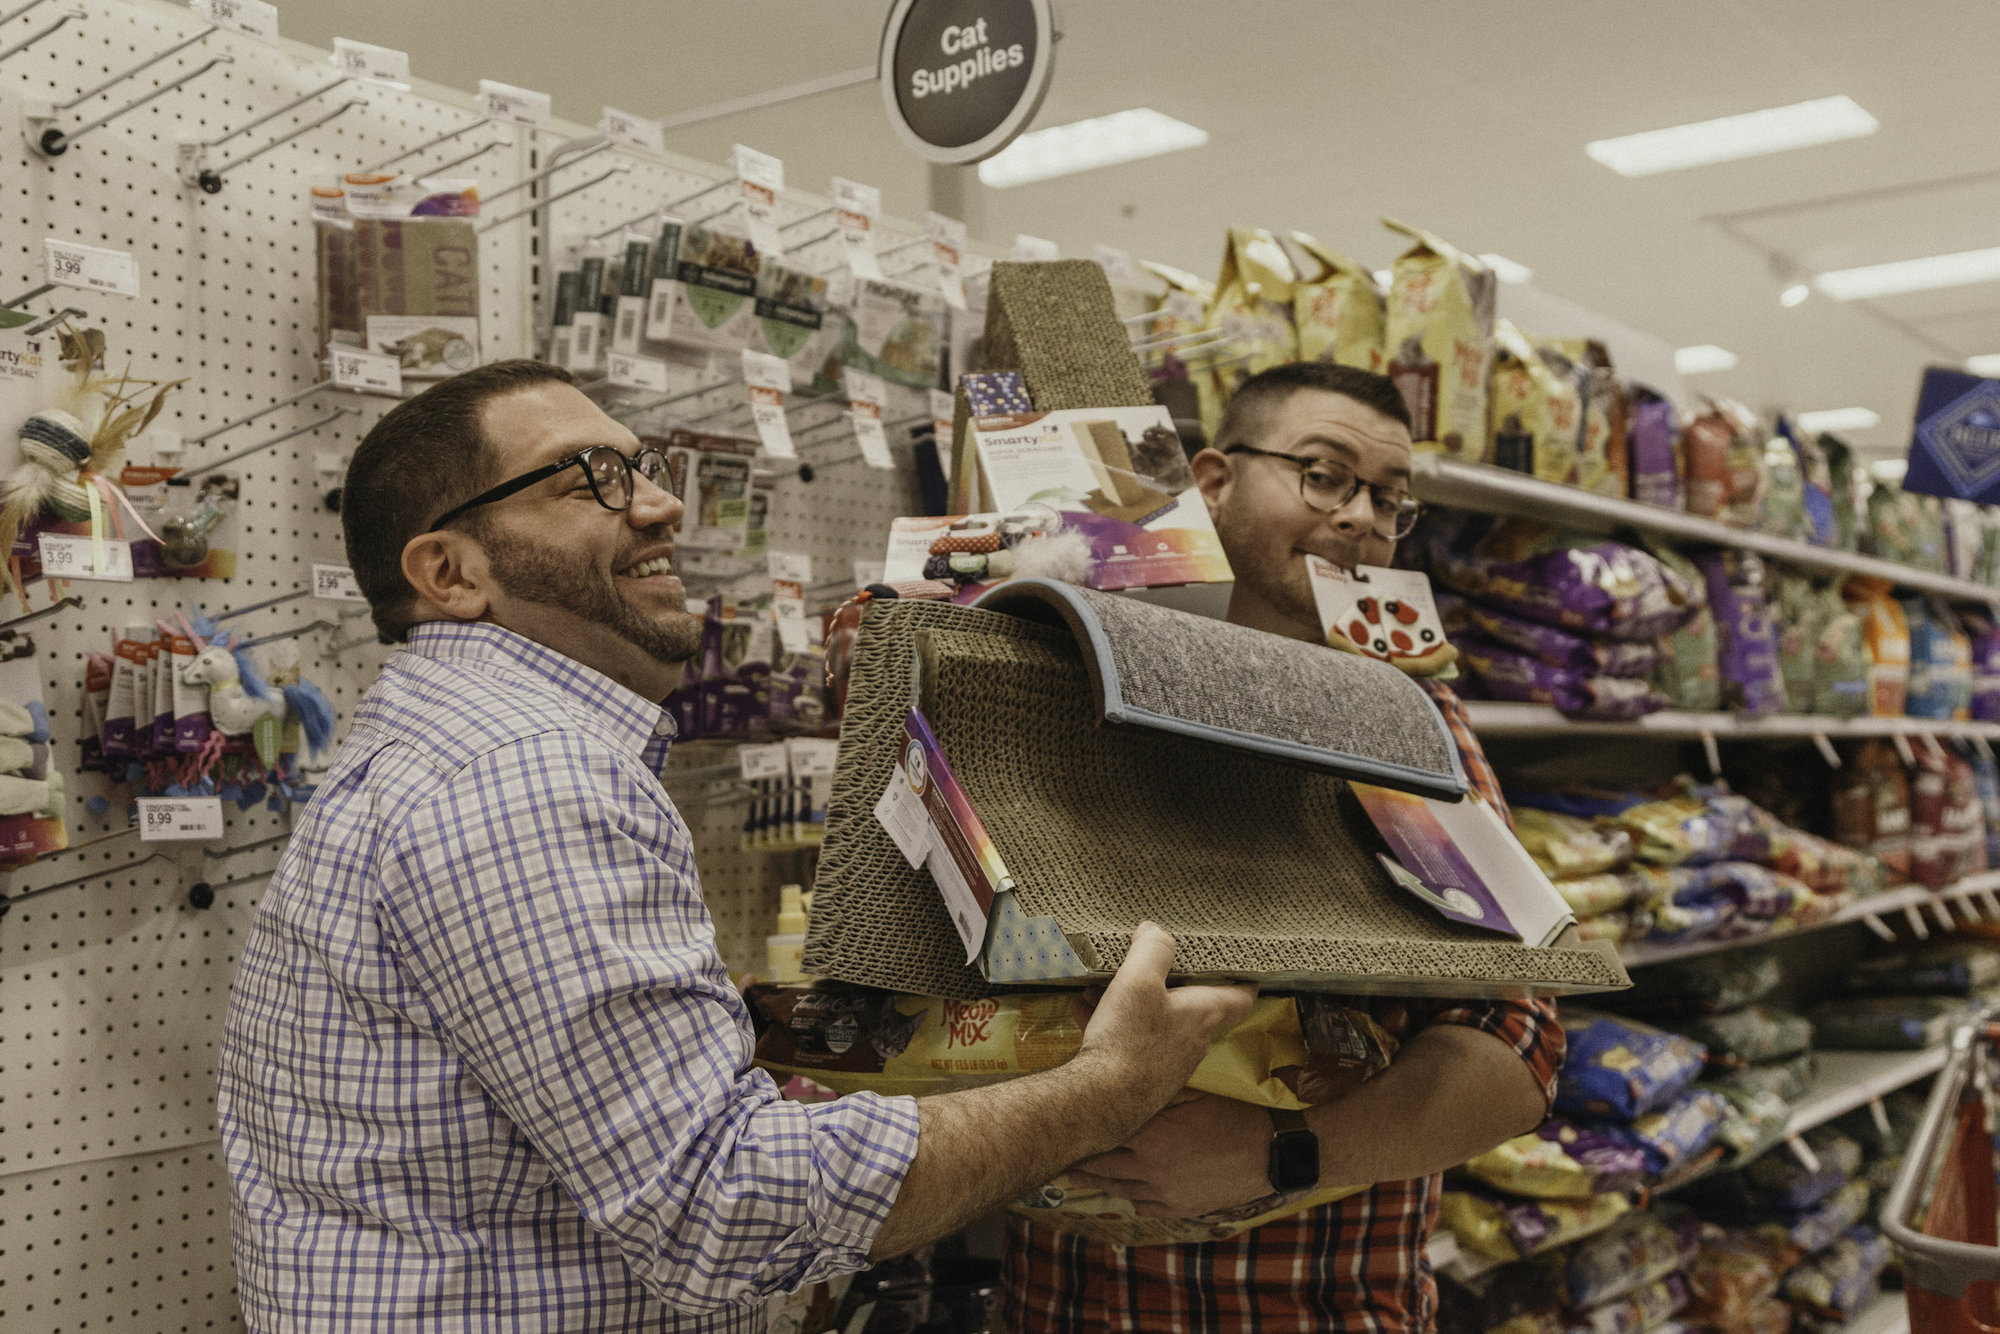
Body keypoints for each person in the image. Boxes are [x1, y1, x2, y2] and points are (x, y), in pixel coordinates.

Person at [214, 359, 1254, 1333]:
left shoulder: (456, 738)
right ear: (450, 569)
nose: (663, 504)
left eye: (645, 468)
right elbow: (717, 1206)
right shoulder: (525, 774)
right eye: (592, 479)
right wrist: (1109, 1086)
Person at [1005, 361, 1565, 1333]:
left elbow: (1517, 1052)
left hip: (1311, 1305)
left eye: (1386, 498)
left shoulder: (1403, 722)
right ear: (1213, 479)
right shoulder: (1070, 677)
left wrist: (1278, 1150)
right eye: (1321, 472)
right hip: (1058, 1301)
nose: (1357, 516)